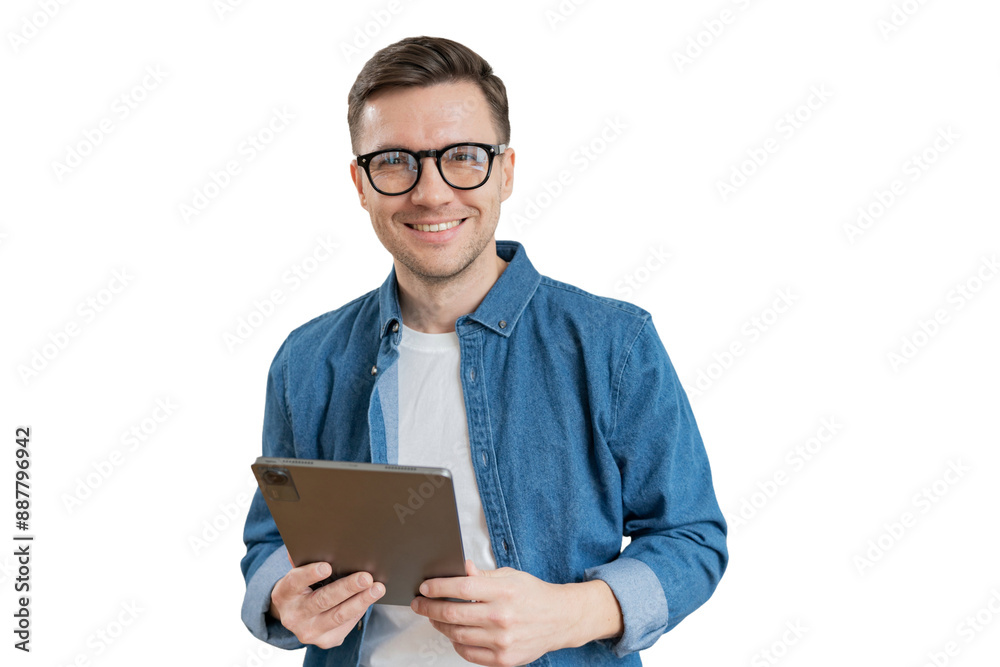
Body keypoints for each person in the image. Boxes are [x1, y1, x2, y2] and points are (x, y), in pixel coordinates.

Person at [240, 35, 727, 666]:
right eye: (394, 161)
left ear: (507, 171)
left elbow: (692, 537)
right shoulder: (306, 360)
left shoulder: (614, 342)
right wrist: (284, 599)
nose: (431, 193)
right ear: (360, 184)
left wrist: (570, 614)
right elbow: (271, 540)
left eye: (463, 157)